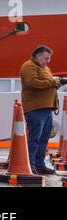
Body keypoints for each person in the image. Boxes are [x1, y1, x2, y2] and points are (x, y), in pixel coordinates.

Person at [20, 45, 67, 174]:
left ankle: (40, 165)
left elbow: (48, 83)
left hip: (46, 108)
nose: (48, 61)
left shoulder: (45, 68)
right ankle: (30, 165)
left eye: (49, 58)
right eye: (46, 58)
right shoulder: (29, 66)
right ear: (38, 55)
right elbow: (32, 82)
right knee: (35, 138)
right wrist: (53, 82)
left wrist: (57, 82)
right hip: (35, 108)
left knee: (44, 138)